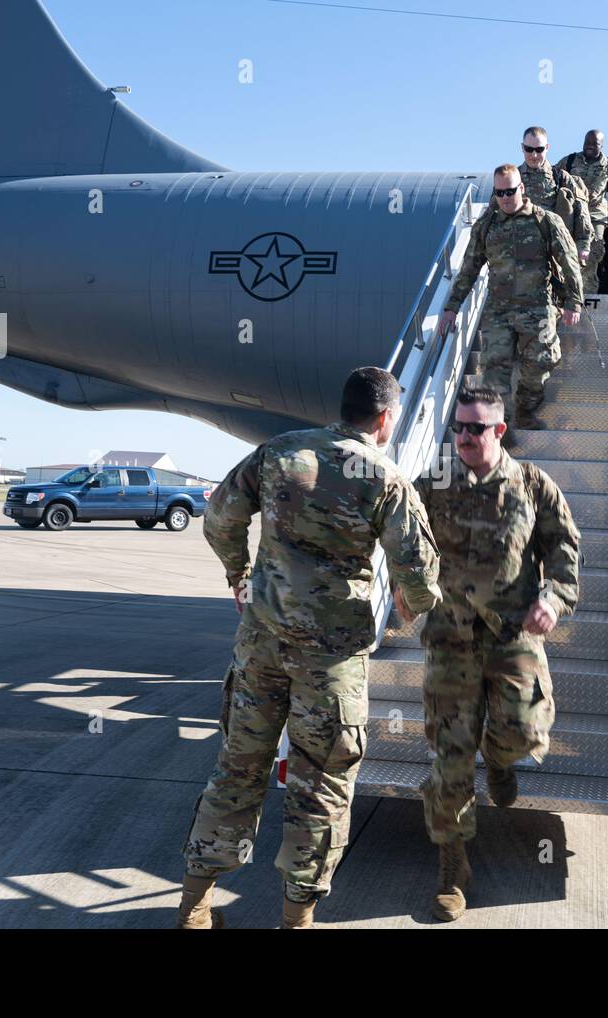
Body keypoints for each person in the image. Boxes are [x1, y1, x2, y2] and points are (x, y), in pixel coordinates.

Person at [180, 366, 442, 929]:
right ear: (385, 417)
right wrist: (408, 603)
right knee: (321, 785)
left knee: (237, 769)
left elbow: (220, 515)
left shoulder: (279, 450)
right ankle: (296, 921)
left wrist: (238, 574)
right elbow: (418, 575)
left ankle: (194, 908)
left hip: (262, 644)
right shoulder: (385, 477)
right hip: (331, 659)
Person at [414, 386, 581, 921]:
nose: (463, 437)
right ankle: (452, 867)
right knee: (450, 758)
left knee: (522, 733)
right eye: (458, 427)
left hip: (513, 638)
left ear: (499, 431)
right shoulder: (435, 483)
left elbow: (565, 549)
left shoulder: (533, 485)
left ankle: (501, 760)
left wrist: (553, 599)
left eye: (475, 428)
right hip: (450, 639)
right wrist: (403, 583)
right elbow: (400, 533)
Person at [436, 164, 583, 431]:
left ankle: (525, 410)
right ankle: (496, 427)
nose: (504, 198)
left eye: (510, 191)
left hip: (537, 308)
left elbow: (570, 263)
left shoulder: (546, 221)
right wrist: (451, 307)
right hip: (499, 312)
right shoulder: (486, 226)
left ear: (522, 189)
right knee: (493, 371)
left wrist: (573, 301)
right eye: (499, 192)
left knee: (543, 360)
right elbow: (469, 267)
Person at [559, 130, 608, 295]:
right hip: (571, 214)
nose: (589, 146)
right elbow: (554, 178)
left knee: (591, 255)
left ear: (601, 146)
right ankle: (566, 293)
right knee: (567, 252)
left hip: (595, 215)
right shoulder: (570, 161)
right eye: (587, 142)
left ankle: (587, 295)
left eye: (594, 143)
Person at [517, 125, 593, 268]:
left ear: (547, 148)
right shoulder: (512, 178)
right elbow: (494, 212)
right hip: (520, 252)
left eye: (539, 150)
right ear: (522, 147)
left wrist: (583, 245)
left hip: (555, 251)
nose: (534, 155)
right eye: (529, 149)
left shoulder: (560, 177)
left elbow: (581, 211)